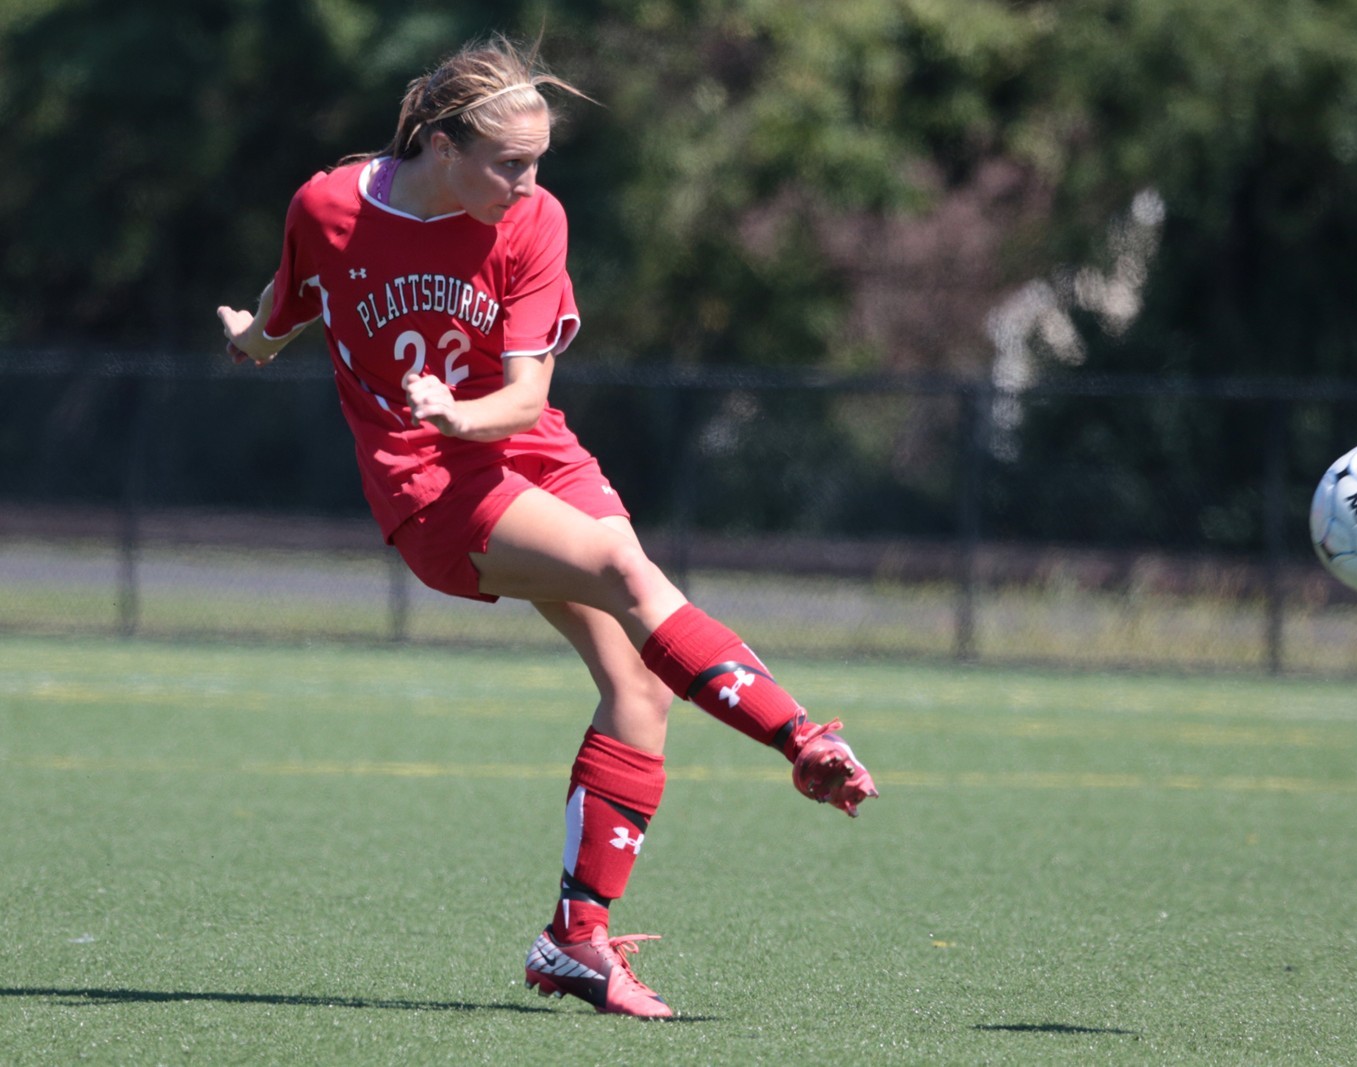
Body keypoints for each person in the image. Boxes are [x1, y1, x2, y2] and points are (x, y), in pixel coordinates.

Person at [216, 35, 877, 1019]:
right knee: (620, 562)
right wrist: (255, 336)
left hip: (523, 451)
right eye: (508, 162)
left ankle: (574, 941)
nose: (528, 183)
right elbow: (296, 291)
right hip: (431, 490)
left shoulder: (533, 221)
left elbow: (525, 399)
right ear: (439, 143)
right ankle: (800, 738)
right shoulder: (329, 204)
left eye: (538, 161)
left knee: (637, 690)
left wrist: (458, 410)